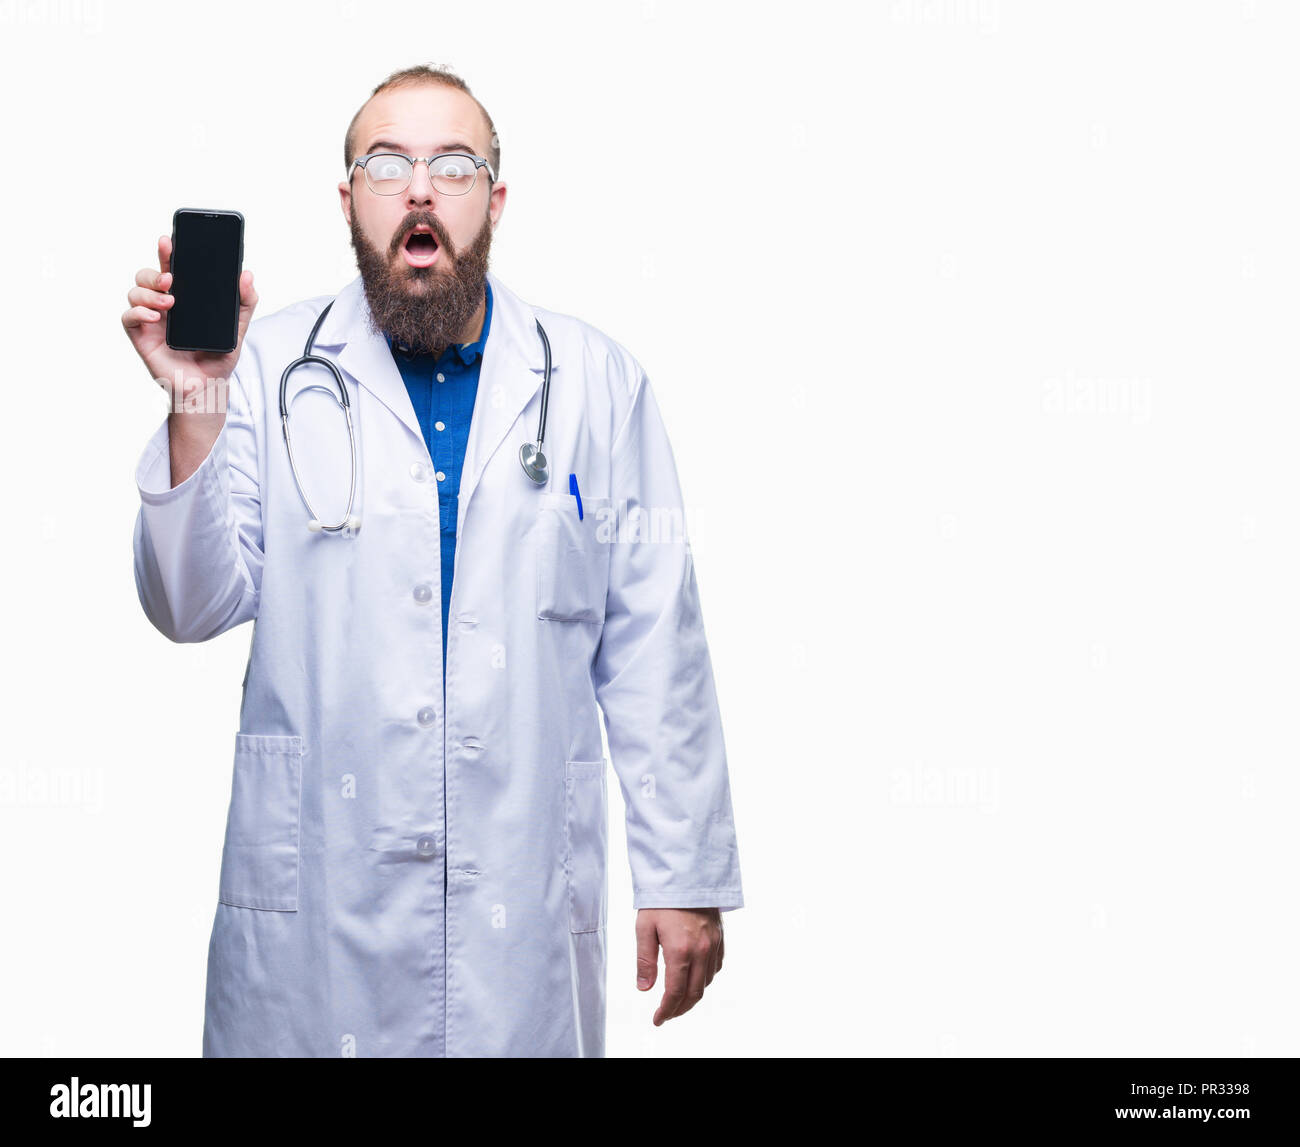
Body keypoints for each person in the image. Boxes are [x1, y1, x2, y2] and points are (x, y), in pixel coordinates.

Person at [122, 64, 743, 1058]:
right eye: (387, 163)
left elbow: (652, 641)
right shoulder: (268, 366)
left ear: (494, 198)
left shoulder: (593, 381)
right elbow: (188, 605)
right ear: (347, 200)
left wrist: (684, 874)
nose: (419, 188)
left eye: (451, 164)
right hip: (317, 916)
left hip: (521, 912)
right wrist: (195, 398)